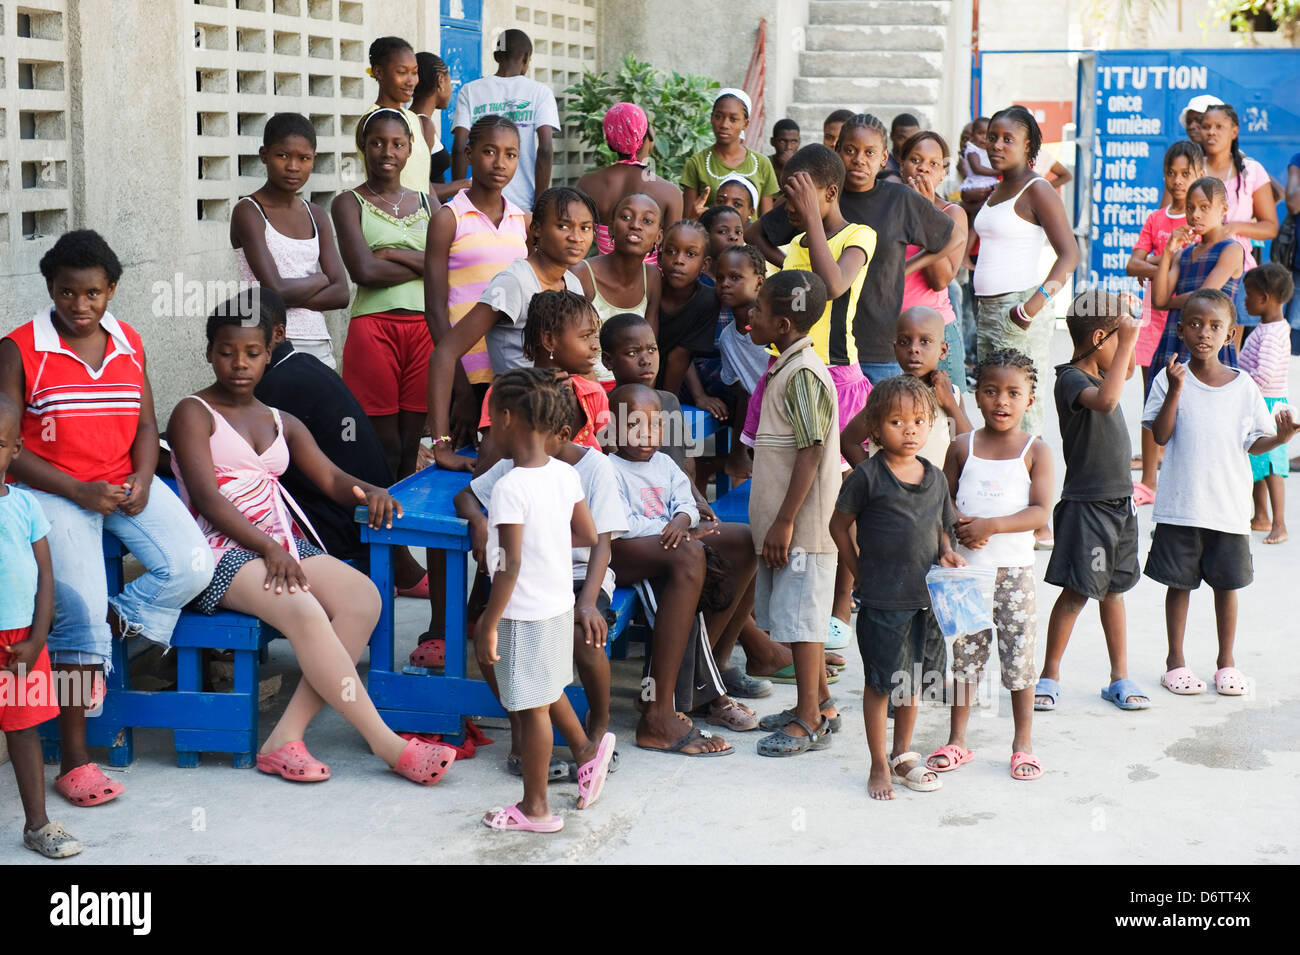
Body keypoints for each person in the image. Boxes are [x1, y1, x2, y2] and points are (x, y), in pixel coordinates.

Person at [167, 295, 456, 787]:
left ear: (269, 350)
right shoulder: (193, 413)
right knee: (302, 609)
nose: (240, 364)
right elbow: (208, 500)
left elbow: (331, 478)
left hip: (282, 546)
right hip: (217, 554)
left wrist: (374, 491)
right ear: (209, 353)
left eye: (252, 352)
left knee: (364, 598)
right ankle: (387, 744)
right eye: (227, 351)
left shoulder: (281, 420)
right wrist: (269, 547)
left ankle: (286, 736)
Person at [0, 230, 212, 808]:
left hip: (123, 483)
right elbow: (7, 445)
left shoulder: (127, 340)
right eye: (66, 292)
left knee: (193, 564)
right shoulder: (20, 347)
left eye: (92, 292)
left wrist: (145, 475)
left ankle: (109, 627)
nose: (79, 305)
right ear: (50, 289)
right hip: (53, 491)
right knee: (79, 611)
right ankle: (74, 759)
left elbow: (147, 423)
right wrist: (77, 489)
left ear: (111, 290)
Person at [456, 371, 625, 785]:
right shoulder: (563, 475)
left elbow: (510, 566)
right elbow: (585, 534)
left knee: (530, 695)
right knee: (545, 685)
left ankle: (536, 805)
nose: (490, 428)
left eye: (492, 418)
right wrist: (546, 540)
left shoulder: (512, 487)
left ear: (509, 418)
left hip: (523, 604)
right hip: (555, 601)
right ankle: (586, 752)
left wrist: (489, 623)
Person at [600, 315, 773, 702]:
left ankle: (710, 660)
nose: (646, 361)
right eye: (633, 353)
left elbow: (679, 472)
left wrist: (694, 508)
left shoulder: (667, 403)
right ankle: (697, 678)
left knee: (745, 540)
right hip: (631, 538)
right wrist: (683, 524)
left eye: (651, 350)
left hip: (670, 518)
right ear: (608, 359)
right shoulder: (604, 406)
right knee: (695, 555)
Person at [1143, 289, 1297, 697]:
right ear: (1180, 330)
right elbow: (1160, 435)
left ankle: (1226, 662)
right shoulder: (1168, 378)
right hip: (1181, 506)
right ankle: (1175, 662)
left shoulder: (1244, 385)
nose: (1203, 333)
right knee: (1179, 585)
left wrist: (1280, 437)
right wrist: (1176, 391)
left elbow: (1254, 442)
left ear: (1230, 335)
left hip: (1228, 507)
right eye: (1194, 324)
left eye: (1214, 326)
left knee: (1227, 587)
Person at [746, 114, 960, 385]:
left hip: (878, 345)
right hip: (822, 345)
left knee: (883, 423)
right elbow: (754, 234)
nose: (859, 159)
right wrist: (793, 266)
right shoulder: (823, 196)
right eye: (850, 150)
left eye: (870, 153)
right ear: (837, 153)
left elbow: (955, 238)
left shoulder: (899, 199)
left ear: (884, 158)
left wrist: (905, 269)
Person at [830, 376, 963, 800]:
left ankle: (903, 754)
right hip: (883, 600)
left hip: (925, 601)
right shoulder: (867, 477)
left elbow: (943, 529)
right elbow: (839, 526)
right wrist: (858, 571)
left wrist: (948, 553)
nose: (910, 429)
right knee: (880, 684)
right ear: (873, 427)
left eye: (920, 420)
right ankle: (876, 763)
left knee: (912, 681)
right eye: (896, 421)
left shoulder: (936, 477)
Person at [929, 349, 1053, 781]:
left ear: (1030, 400)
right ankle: (957, 741)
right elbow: (940, 503)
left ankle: (1022, 745)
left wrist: (992, 525)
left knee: (1019, 659)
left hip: (1014, 574)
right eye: (991, 391)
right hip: (967, 573)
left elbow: (1040, 512)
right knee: (965, 657)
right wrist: (948, 541)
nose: (1002, 401)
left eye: (1013, 393)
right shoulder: (962, 447)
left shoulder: (1036, 451)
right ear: (976, 397)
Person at [1035, 292, 1149, 713]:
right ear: (1100, 338)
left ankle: (1119, 677)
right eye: (1120, 342)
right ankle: (1049, 675)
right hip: (1089, 509)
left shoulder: (1105, 373)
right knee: (1076, 593)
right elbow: (1108, 403)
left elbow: (1128, 369)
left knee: (1114, 592)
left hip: (1120, 507)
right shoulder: (1071, 379)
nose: (1126, 353)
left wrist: (1129, 328)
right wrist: (1126, 332)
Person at [427, 188, 594, 471]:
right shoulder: (515, 282)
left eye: (585, 228)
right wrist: (441, 446)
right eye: (563, 226)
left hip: (561, 418)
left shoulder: (573, 284)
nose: (576, 237)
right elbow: (444, 354)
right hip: (518, 420)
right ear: (537, 230)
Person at [745, 272, 841, 756]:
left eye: (758, 311)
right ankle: (821, 704)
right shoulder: (786, 365)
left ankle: (807, 720)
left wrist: (785, 521)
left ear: (782, 323)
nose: (750, 317)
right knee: (796, 618)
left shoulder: (803, 373)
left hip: (804, 528)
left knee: (804, 626)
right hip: (792, 526)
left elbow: (811, 449)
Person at [332, 108, 434, 481]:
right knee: (382, 439)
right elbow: (364, 271)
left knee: (411, 442)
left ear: (409, 150)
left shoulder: (428, 203)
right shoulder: (348, 202)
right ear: (363, 147)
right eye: (377, 143)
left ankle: (402, 531)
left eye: (397, 144)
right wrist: (423, 262)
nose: (387, 152)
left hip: (425, 329)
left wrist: (390, 253)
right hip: (373, 330)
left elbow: (445, 268)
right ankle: (379, 525)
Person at [0, 395, 82, 857]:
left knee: (22, 730)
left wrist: (38, 638)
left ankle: (38, 825)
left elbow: (45, 577)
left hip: (19, 644)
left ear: (15, 448)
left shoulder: (26, 506)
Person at [969, 105, 1079, 447]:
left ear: (1028, 146)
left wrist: (1032, 306)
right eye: (992, 138)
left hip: (1019, 313)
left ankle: (1033, 492)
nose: (997, 146)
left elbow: (1070, 255)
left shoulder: (1036, 189)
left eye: (1008, 139)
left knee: (1022, 408)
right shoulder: (998, 190)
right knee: (994, 406)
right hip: (987, 311)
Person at [425, 115, 528, 415]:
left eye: (510, 155)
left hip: (510, 368)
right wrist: (459, 385)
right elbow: (434, 309)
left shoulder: (523, 221)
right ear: (469, 154)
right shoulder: (448, 218)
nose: (500, 163)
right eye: (489, 151)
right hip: (464, 368)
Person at [231, 112, 350, 368]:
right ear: (264, 155)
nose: (293, 166)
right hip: (265, 344)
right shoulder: (249, 211)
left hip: (319, 344)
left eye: (304, 158)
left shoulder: (316, 215)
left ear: (314, 160)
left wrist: (286, 294)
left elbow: (341, 294)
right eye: (282, 156)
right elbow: (274, 290)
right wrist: (321, 279)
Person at [1126, 140, 1203, 505]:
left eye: (1186, 174)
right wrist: (1167, 261)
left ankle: (1183, 474)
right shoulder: (1157, 220)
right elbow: (1132, 264)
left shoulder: (1199, 221)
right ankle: (1150, 480)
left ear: (1199, 175)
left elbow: (1193, 270)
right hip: (1153, 320)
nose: (1177, 180)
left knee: (1187, 399)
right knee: (1151, 398)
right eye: (1171, 173)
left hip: (1186, 320)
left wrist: (1160, 265)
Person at [843, 306, 973, 469]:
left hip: (935, 492)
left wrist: (950, 405)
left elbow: (965, 444)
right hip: (891, 493)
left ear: (943, 350)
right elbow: (849, 441)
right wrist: (875, 479)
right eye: (904, 342)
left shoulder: (951, 394)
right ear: (895, 349)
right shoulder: (887, 396)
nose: (913, 348)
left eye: (925, 341)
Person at [452, 29, 559, 212]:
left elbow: (459, 147)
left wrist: (458, 198)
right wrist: (539, 204)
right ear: (526, 58)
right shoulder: (540, 92)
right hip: (522, 204)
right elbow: (546, 148)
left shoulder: (470, 90)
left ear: (496, 56)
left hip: (476, 203)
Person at [1200, 103, 1279, 344]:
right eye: (1206, 127)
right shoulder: (1192, 169)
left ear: (1234, 131)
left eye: (1219, 127)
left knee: (1227, 351)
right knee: (1193, 342)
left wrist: (1234, 227)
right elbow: (1169, 215)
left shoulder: (1251, 171)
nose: (1211, 132)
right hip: (1196, 265)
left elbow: (1270, 226)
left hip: (1238, 273)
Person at [899, 130, 970, 386]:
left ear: (942, 172)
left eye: (933, 164)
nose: (923, 170)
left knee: (947, 417)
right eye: (915, 160)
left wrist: (925, 211)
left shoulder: (952, 214)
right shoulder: (888, 207)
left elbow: (940, 280)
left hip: (936, 332)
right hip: (894, 334)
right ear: (901, 164)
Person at [1150, 176, 1244, 372]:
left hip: (1209, 345)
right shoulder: (1183, 254)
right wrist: (1168, 251)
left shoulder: (1231, 250)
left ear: (1223, 209)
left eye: (1204, 207)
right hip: (1175, 340)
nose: (1195, 215)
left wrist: (1170, 302)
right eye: (1190, 208)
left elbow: (1202, 296)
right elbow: (1158, 300)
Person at [570, 193, 663, 387]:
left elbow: (651, 348)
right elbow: (571, 346)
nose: (635, 225)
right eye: (626, 217)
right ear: (611, 228)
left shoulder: (652, 277)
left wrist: (646, 394)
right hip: (587, 384)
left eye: (647, 220)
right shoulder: (582, 274)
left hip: (635, 386)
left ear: (659, 236)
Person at [577, 102, 682, 261]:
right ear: (649, 135)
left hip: (601, 280)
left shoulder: (587, 184)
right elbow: (672, 254)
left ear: (610, 141)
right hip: (650, 282)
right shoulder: (669, 193)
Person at [1239, 264, 1295, 544]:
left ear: (1265, 297)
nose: (1245, 299)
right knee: (1257, 463)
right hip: (1259, 402)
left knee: (1272, 466)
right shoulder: (1267, 327)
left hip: (1269, 405)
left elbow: (1265, 373)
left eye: (1248, 294)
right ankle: (1261, 517)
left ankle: (1279, 524)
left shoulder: (1273, 333)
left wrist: (1243, 387)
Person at [681, 89, 780, 219]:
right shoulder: (696, 163)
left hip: (748, 239)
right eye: (718, 116)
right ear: (711, 118)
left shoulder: (762, 163)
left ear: (746, 123)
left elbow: (766, 220)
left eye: (733, 119)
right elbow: (689, 219)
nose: (724, 124)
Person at [656, 219, 720, 398]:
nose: (678, 260)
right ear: (660, 257)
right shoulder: (648, 286)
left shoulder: (708, 300)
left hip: (672, 384)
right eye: (671, 251)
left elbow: (680, 355)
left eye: (690, 254)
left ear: (704, 265)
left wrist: (667, 404)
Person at [358, 37, 430, 192]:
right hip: (391, 213)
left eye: (415, 72)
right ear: (378, 72)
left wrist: (435, 211)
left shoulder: (413, 119)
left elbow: (424, 181)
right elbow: (378, 188)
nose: (411, 81)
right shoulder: (371, 121)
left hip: (422, 214)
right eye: (402, 72)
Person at [411, 51, 470, 202]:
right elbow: (418, 188)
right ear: (441, 80)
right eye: (449, 83)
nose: (451, 90)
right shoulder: (421, 125)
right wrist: (467, 184)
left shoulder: (417, 120)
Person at [959, 116, 998, 223]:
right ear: (972, 136)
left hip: (986, 185)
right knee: (974, 220)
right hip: (977, 184)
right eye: (980, 133)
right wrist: (997, 172)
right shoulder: (973, 150)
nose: (984, 138)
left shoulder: (989, 151)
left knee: (979, 219)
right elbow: (977, 169)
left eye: (987, 135)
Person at [880, 112, 920, 183]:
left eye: (913, 138)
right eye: (903, 138)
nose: (909, 143)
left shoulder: (921, 166)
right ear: (892, 136)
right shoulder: (881, 163)